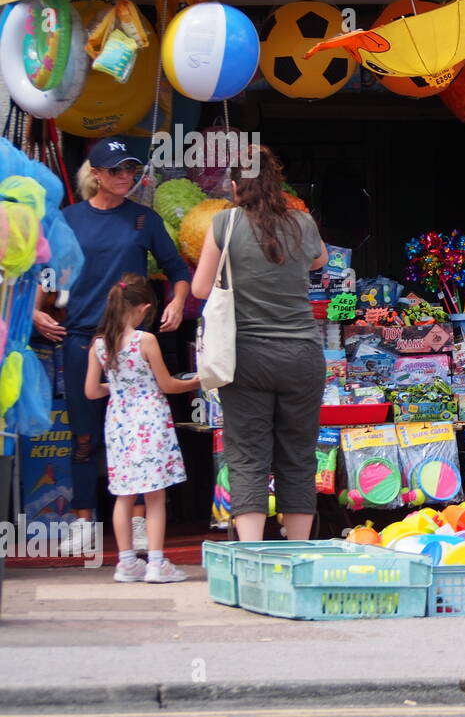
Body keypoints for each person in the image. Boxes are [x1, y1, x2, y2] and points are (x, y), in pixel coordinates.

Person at [33, 138, 192, 557]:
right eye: (116, 170)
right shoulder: (68, 219)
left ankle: (140, 524)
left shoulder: (144, 219)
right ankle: (84, 522)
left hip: (131, 343)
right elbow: (44, 269)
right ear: (96, 174)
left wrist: (176, 300)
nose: (125, 177)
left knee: (139, 434)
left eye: (131, 170)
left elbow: (177, 269)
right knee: (84, 436)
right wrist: (35, 312)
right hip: (82, 336)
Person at [191, 146, 327, 541]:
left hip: (245, 356)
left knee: (248, 455)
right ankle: (297, 551)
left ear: (235, 186)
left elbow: (201, 287)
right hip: (302, 356)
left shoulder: (225, 224)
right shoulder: (302, 223)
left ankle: (253, 556)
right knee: (298, 457)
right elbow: (318, 261)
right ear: (277, 184)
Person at [85, 275, 199, 582]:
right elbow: (168, 384)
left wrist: (118, 387)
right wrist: (199, 380)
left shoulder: (98, 344)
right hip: (150, 420)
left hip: (118, 423)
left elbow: (91, 391)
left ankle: (126, 563)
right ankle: (156, 563)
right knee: (155, 496)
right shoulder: (144, 341)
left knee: (123, 494)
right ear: (142, 309)